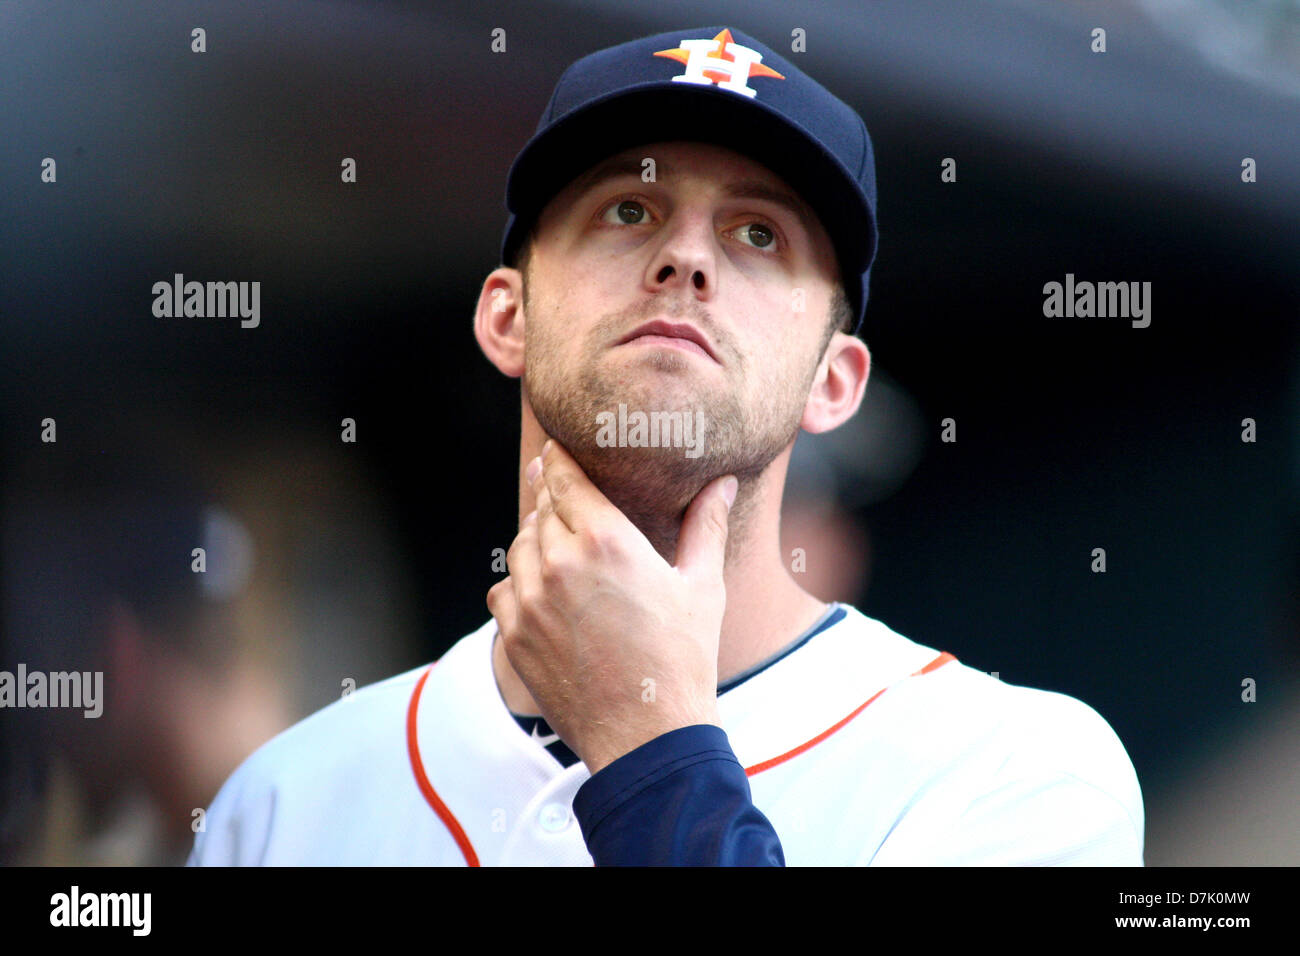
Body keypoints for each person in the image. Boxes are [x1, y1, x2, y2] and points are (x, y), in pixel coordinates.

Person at [189, 25, 1143, 866]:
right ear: (506, 315)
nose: (687, 257)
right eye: (629, 210)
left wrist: (653, 751)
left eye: (759, 233)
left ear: (833, 381)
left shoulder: (1016, 773)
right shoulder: (282, 806)